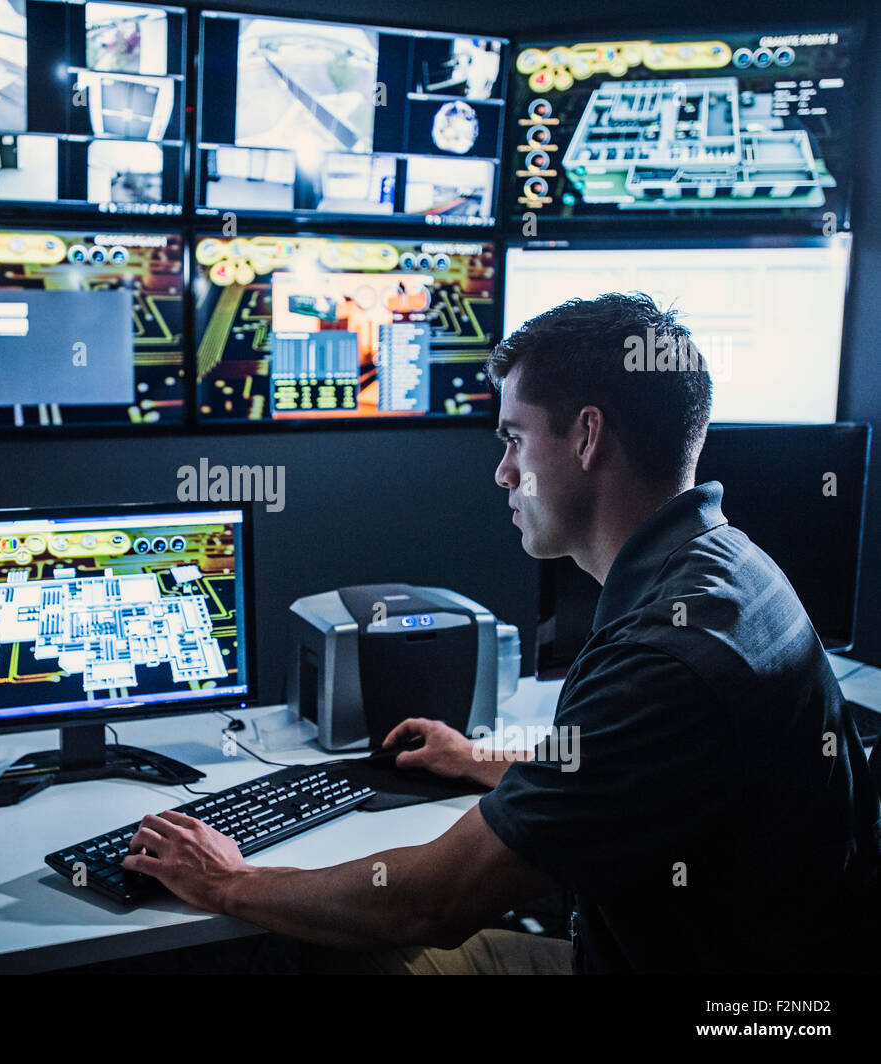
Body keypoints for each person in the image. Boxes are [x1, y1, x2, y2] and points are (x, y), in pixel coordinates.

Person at [123, 292, 881, 973]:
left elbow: (434, 902)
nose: (503, 474)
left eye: (514, 439)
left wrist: (231, 880)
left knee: (325, 950)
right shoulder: (731, 566)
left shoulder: (661, 655)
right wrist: (483, 759)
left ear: (587, 437)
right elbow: (640, 770)